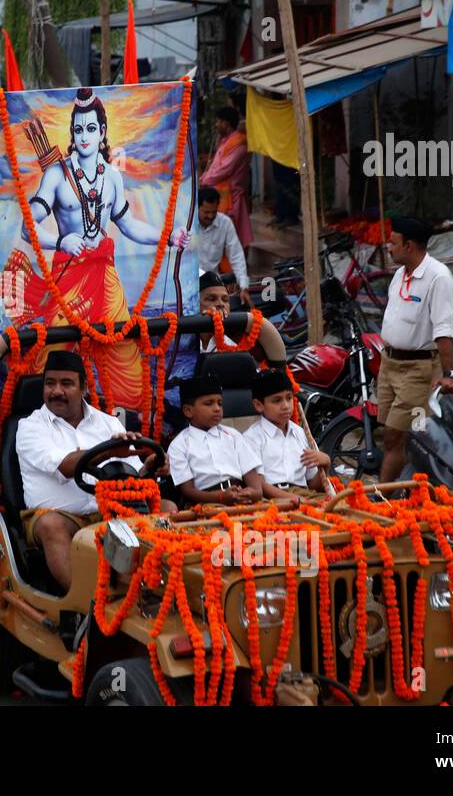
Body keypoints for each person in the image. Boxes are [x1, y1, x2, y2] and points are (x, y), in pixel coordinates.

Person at [15, 350, 172, 591]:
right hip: (59, 517)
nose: (56, 391)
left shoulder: (108, 422)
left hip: (110, 510)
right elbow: (67, 466)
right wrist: (107, 451)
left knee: (167, 508)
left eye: (66, 384)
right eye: (50, 384)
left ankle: (166, 589)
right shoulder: (30, 427)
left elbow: (132, 479)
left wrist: (151, 468)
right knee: (51, 524)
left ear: (84, 388)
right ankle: (86, 603)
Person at [377, 216, 453, 482]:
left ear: (409, 245)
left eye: (393, 242)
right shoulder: (400, 274)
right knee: (390, 434)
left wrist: (450, 374)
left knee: (395, 435)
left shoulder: (439, 278)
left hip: (418, 369)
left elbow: (444, 331)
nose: (388, 247)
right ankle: (406, 492)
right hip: (390, 364)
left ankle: (381, 501)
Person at [166, 374, 266, 505]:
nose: (217, 408)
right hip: (206, 503)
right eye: (209, 404)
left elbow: (256, 488)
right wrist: (220, 497)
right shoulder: (179, 445)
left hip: (242, 498)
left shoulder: (233, 436)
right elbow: (188, 491)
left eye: (220, 403)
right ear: (188, 411)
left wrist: (251, 493)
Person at [245, 368, 328, 498]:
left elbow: (313, 485)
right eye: (277, 401)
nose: (286, 406)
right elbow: (260, 485)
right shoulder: (252, 438)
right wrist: (294, 499)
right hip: (270, 499)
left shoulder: (301, 433)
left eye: (289, 398)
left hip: (304, 494)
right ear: (258, 405)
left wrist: (326, 464)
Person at [201, 106, 252, 251]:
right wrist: (205, 177)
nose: (216, 125)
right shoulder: (226, 142)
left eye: (218, 122)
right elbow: (216, 166)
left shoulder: (239, 144)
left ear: (226, 123)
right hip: (221, 195)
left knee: (232, 235)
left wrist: (205, 180)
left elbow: (225, 169)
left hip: (231, 197)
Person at [195, 186, 250, 299]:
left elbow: (236, 255)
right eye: (206, 212)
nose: (210, 216)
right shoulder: (186, 226)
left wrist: (243, 285)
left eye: (214, 212)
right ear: (196, 208)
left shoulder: (225, 223)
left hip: (212, 286)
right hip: (188, 286)